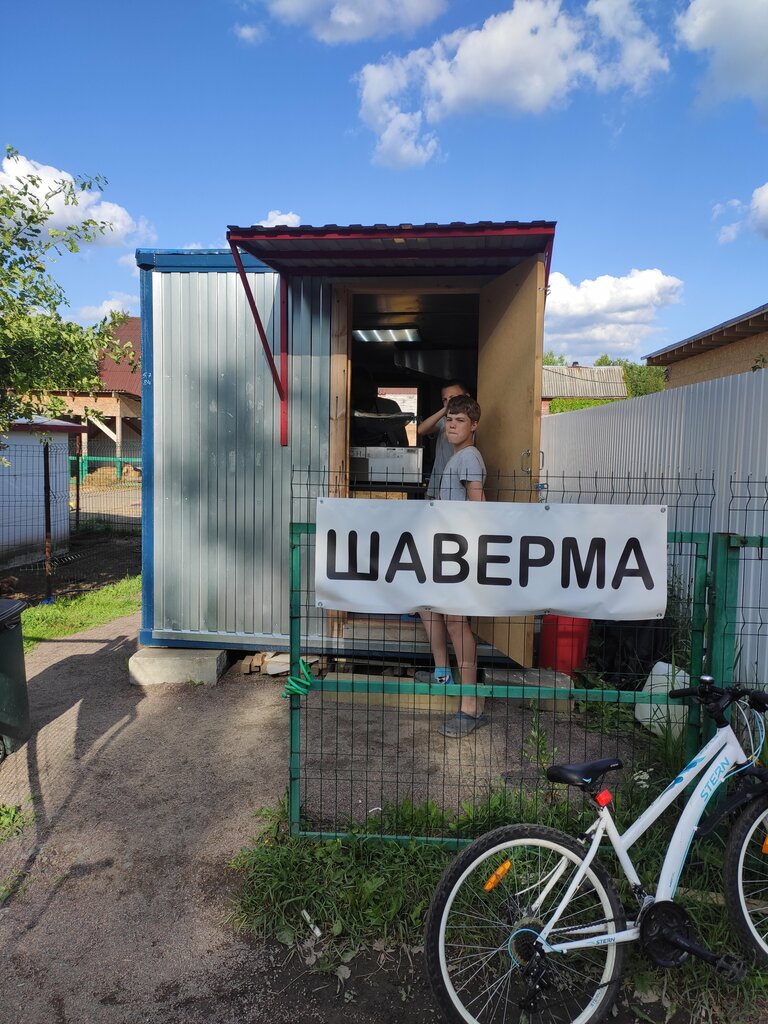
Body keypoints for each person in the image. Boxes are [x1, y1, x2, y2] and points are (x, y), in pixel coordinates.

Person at [420, 394, 488, 738]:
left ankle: (470, 706)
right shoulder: (458, 457)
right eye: (450, 419)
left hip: (459, 553)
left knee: (457, 623)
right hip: (446, 549)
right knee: (428, 607)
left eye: (459, 420)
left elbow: (478, 506)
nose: (451, 425)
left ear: (473, 425)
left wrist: (469, 551)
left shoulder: (470, 458)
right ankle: (443, 673)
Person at [417, 381, 469, 498]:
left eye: (452, 398)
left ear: (466, 397)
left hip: (456, 486)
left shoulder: (470, 424)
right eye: (445, 399)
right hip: (436, 484)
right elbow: (421, 430)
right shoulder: (445, 421)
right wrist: (445, 410)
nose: (449, 402)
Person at [350, 369, 409, 447]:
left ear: (371, 386)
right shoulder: (345, 410)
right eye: (356, 386)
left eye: (363, 384)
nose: (360, 390)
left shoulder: (389, 406)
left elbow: (403, 442)